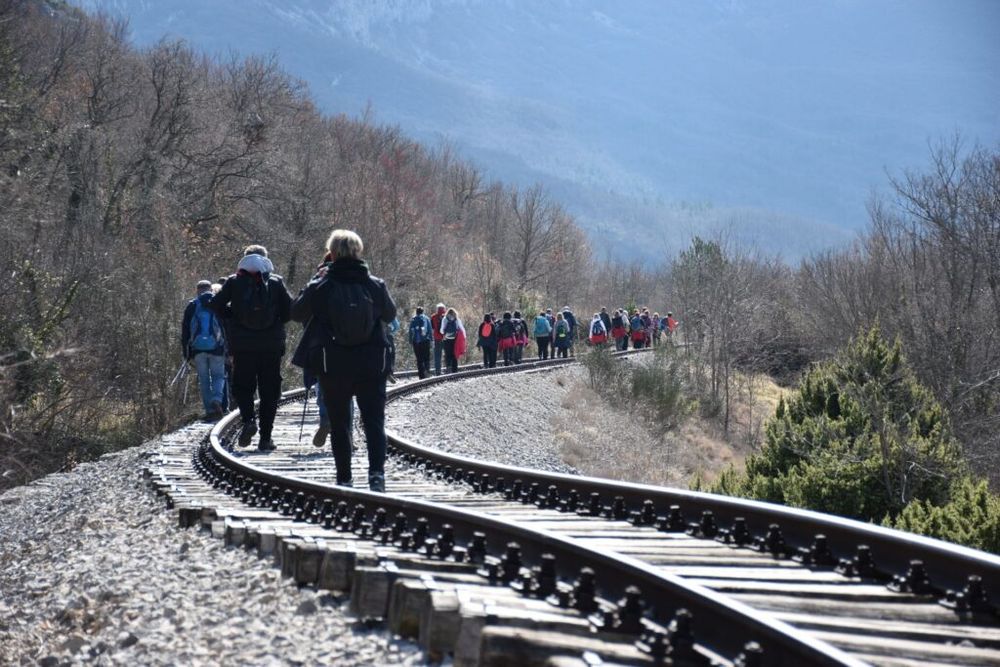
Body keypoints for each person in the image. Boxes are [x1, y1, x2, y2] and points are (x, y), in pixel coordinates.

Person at [291, 229, 397, 491]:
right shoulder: (375, 284)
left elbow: (296, 312)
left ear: (333, 253)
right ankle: (376, 476)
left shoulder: (322, 285)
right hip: (371, 363)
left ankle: (344, 478)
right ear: (358, 252)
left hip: (333, 364)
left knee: (339, 424)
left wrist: (314, 281)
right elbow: (390, 313)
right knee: (374, 422)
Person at [211, 246, 292, 451]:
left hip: (243, 345)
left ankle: (249, 421)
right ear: (265, 261)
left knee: (243, 388)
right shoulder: (276, 282)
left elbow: (215, 304)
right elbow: (290, 311)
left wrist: (233, 316)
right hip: (271, 345)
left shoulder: (234, 282)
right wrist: (276, 321)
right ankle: (266, 438)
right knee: (269, 392)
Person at [181, 280, 227, 421]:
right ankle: (217, 400)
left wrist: (186, 354)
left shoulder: (192, 306)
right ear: (211, 289)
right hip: (217, 348)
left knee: (204, 379)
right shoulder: (218, 303)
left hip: (198, 349)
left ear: (197, 290)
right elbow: (226, 326)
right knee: (219, 376)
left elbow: (185, 331)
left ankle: (210, 411)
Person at [408, 307, 433, 379]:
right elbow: (430, 330)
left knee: (419, 359)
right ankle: (427, 372)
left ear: (416, 312)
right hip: (425, 341)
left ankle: (421, 375)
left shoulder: (413, 319)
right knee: (426, 357)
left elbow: (410, 331)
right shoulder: (426, 318)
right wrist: (431, 340)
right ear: (423, 312)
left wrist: (410, 341)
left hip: (416, 342)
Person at [440, 307, 465, 373]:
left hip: (446, 340)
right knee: (454, 354)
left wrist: (445, 333)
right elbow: (462, 329)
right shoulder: (457, 319)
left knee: (447, 354)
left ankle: (448, 368)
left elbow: (441, 331)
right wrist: (464, 338)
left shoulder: (445, 319)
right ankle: (455, 370)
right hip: (455, 339)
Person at [430, 303, 447, 376]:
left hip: (437, 338)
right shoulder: (446, 316)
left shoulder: (433, 317)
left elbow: (432, 327)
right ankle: (448, 369)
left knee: (437, 355)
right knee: (447, 354)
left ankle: (438, 371)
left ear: (437, 309)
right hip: (446, 338)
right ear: (444, 309)